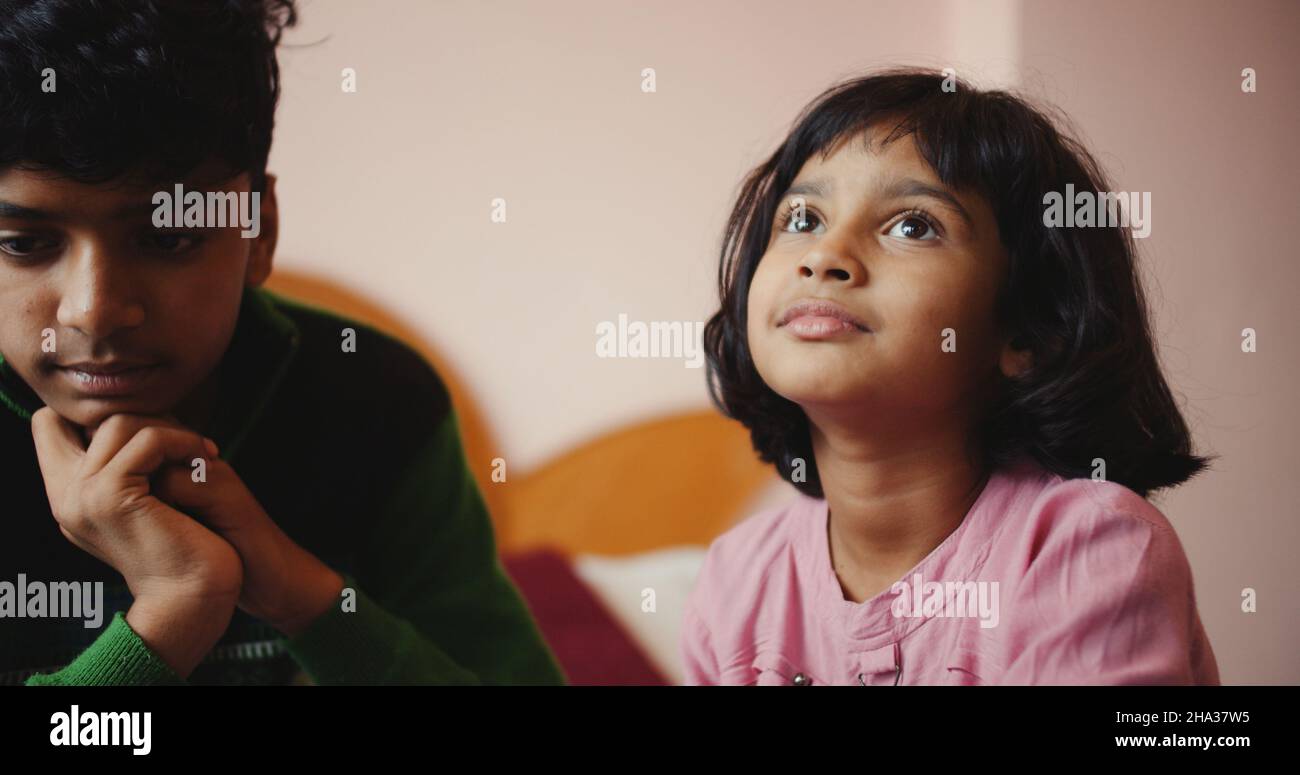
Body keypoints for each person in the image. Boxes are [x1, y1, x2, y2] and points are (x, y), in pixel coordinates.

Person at [0, 0, 564, 686]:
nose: (96, 310)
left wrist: (303, 598)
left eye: (169, 236)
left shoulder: (381, 407)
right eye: (24, 243)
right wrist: (175, 612)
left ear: (259, 231)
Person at [682, 68, 1219, 685]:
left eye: (913, 226)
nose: (824, 256)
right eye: (802, 219)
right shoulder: (735, 581)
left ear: (1024, 331)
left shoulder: (1088, 545)